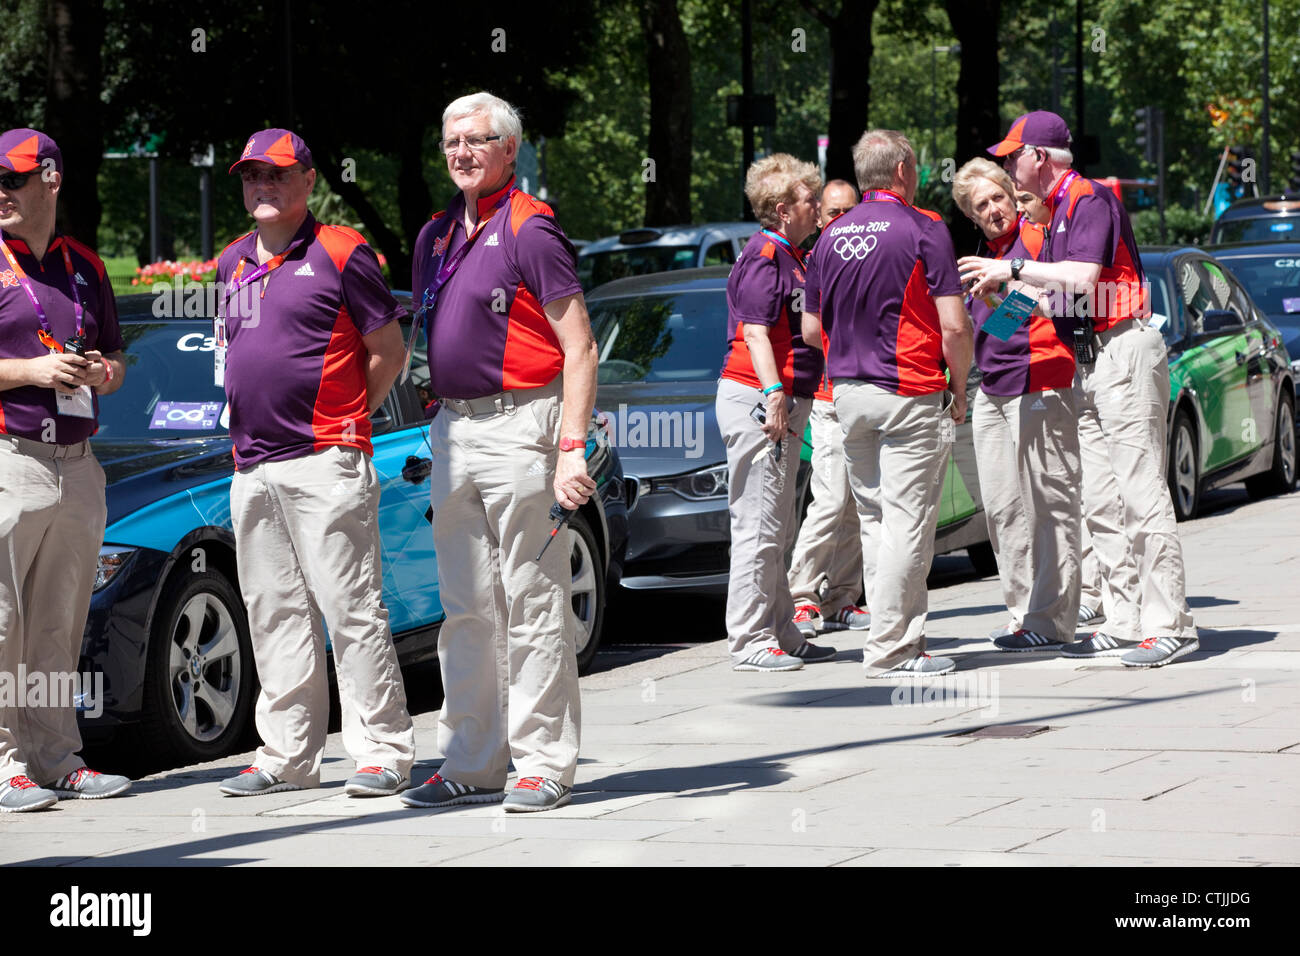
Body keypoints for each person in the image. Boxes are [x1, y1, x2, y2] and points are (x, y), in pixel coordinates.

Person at [400, 93, 595, 813]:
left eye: (477, 140)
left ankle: (543, 762)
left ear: (509, 149)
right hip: (454, 429)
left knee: (534, 599)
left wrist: (570, 447)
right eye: (451, 141)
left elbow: (579, 344)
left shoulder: (531, 228)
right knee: (466, 606)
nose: (460, 153)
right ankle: (474, 761)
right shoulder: (435, 236)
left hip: (523, 425)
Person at [215, 128, 416, 797]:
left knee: (351, 610)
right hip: (253, 466)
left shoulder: (341, 250)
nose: (262, 188)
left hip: (325, 459)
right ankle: (286, 756)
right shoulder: (230, 263)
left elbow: (387, 347)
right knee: (273, 613)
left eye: (275, 176)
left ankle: (382, 751)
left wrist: (349, 422)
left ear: (307, 181)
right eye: (251, 177)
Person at [962, 110, 1197, 666]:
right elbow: (1058, 303)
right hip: (1088, 363)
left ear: (1038, 158)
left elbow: (1085, 279)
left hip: (1118, 351)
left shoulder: (1086, 199)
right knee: (1101, 501)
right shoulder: (1061, 208)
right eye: (979, 204)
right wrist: (1000, 297)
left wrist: (1012, 275)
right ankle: (1123, 618)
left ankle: (1171, 624)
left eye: (1011, 157)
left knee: (1140, 494)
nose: (1007, 172)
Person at [803, 130, 973, 678]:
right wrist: (961, 385)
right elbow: (954, 324)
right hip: (909, 389)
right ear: (902, 168)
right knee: (907, 524)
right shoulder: (925, 227)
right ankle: (895, 649)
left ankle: (886, 638)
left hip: (848, 394)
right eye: (917, 164)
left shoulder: (830, 236)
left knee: (877, 522)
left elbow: (810, 329)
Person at [0, 128, 131, 810]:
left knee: (59, 621)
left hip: (77, 462)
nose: (1, 192)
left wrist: (103, 372)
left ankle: (56, 758)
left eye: (12, 178)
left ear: (50, 178)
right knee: (3, 622)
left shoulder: (85, 262)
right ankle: (2, 765)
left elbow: (115, 357)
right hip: (9, 459)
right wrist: (32, 370)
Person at [951, 158, 1081, 652]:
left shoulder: (1035, 242)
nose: (993, 210)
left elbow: (1043, 304)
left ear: (1012, 194)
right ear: (972, 216)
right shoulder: (987, 253)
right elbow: (990, 324)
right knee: (1003, 510)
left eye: (998, 198)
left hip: (1040, 380)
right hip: (993, 387)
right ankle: (1020, 613)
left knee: (1046, 505)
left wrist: (998, 297)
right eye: (981, 206)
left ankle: (1051, 618)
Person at [717, 154, 834, 672]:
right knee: (759, 527)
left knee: (776, 524)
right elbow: (756, 331)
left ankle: (781, 628)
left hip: (774, 399)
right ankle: (749, 640)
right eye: (811, 200)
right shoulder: (766, 256)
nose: (819, 208)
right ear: (784, 210)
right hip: (759, 399)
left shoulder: (786, 253)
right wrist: (774, 393)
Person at [787, 179, 871, 638]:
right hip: (828, 395)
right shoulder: (818, 260)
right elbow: (810, 332)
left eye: (847, 211)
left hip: (866, 391)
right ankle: (802, 596)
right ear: (819, 218)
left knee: (858, 502)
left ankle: (842, 597)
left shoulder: (866, 256)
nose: (840, 220)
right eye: (832, 212)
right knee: (831, 498)